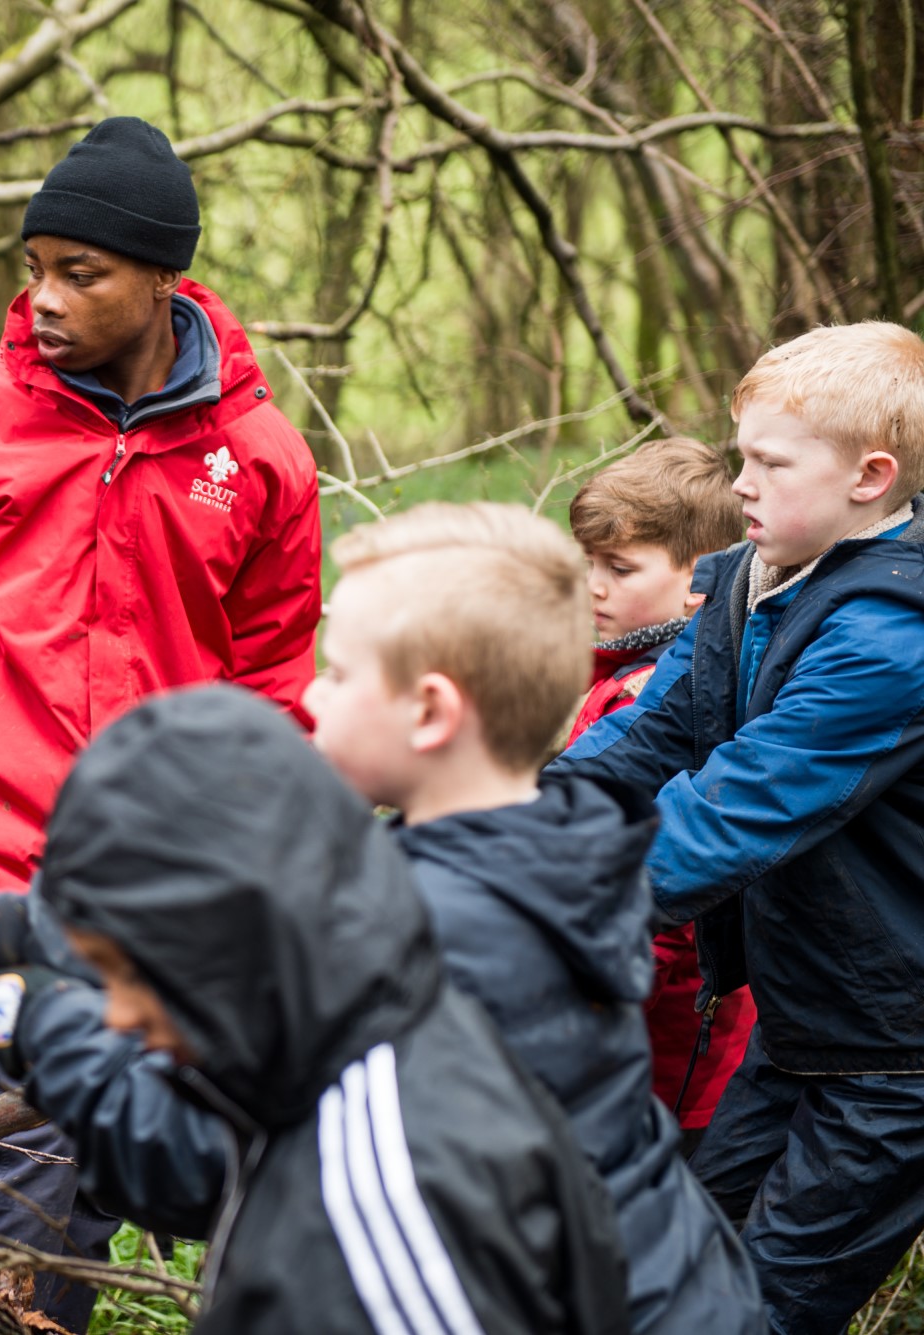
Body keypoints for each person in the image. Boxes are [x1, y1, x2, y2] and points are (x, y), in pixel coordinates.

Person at [0, 115, 322, 1328]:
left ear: (164, 279)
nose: (45, 298)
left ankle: (48, 1300)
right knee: (28, 1131)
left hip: (167, 858)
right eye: (34, 266)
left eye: (82, 272)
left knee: (110, 1127)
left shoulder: (258, 458)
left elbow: (268, 672)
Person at [0, 687, 634, 1334]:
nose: (120, 1010)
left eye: (126, 977)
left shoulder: (372, 1130)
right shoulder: (325, 970)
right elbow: (168, 1149)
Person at [305, 502, 761, 1334]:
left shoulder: (449, 930)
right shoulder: (534, 856)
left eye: (338, 672)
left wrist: (31, 1009)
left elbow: (235, 1158)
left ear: (433, 711)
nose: (308, 692)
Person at [553, 321, 924, 1332]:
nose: (743, 485)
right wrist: (491, 837)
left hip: (894, 1056)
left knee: (755, 1308)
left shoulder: (891, 638)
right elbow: (638, 748)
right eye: (739, 457)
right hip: (796, 1019)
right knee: (679, 1262)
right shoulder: (738, 587)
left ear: (868, 476)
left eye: (768, 462)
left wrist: (521, 913)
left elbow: (727, 812)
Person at [564, 440, 754, 1148]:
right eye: (588, 563)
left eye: (619, 568)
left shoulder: (665, 696)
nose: (594, 585)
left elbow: (670, 876)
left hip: (670, 1039)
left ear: (698, 584)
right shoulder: (623, 674)